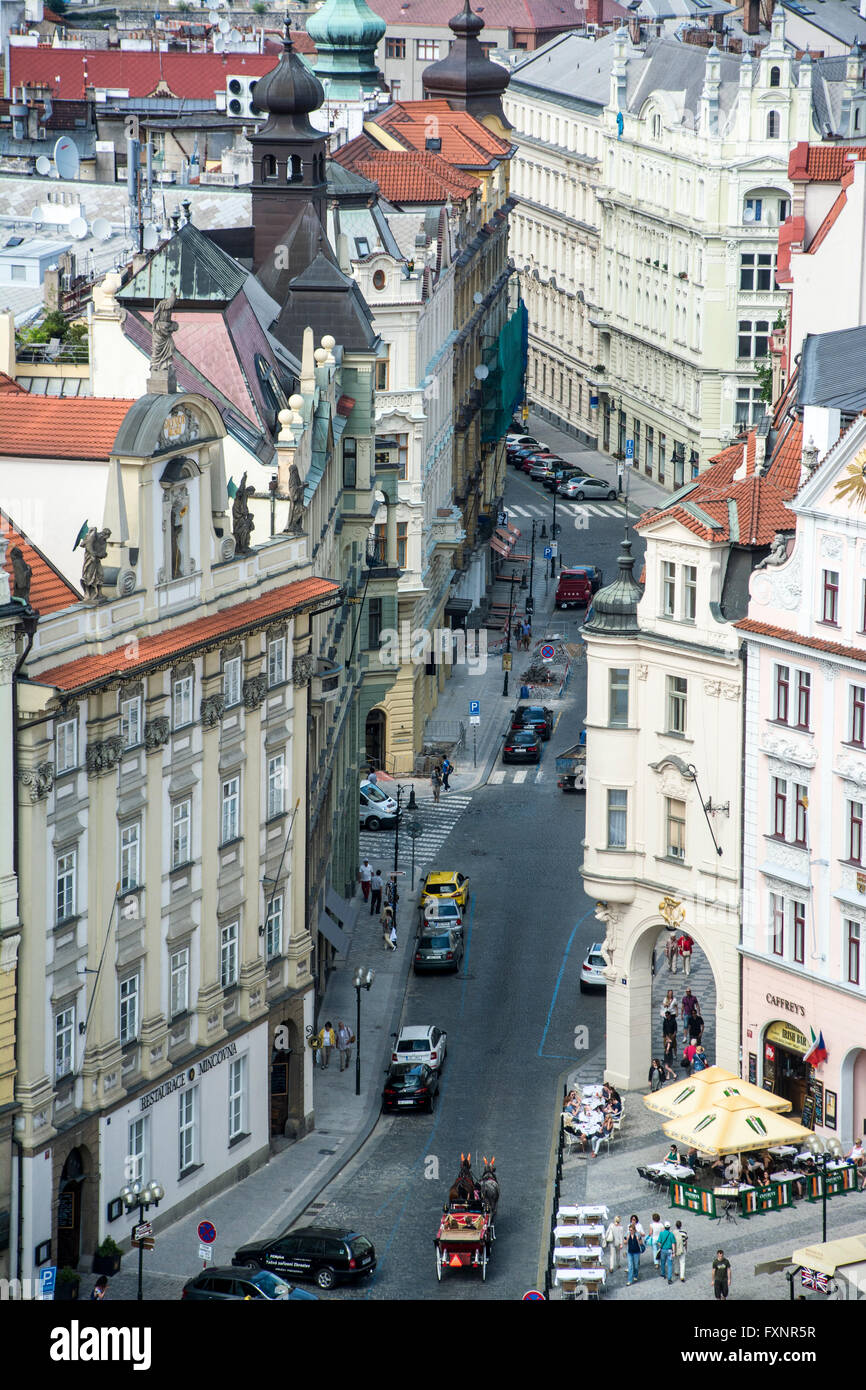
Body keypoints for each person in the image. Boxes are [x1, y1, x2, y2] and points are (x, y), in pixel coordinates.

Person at [626, 1217, 644, 1286]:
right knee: (630, 1266)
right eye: (629, 1230)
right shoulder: (628, 1234)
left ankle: (635, 1275)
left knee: (636, 1265)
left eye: (631, 1230)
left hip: (636, 1252)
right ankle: (629, 1280)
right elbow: (624, 1242)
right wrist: (627, 1239)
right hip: (630, 1252)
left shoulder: (637, 1234)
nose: (630, 1231)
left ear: (634, 1230)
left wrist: (638, 1240)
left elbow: (641, 1243)